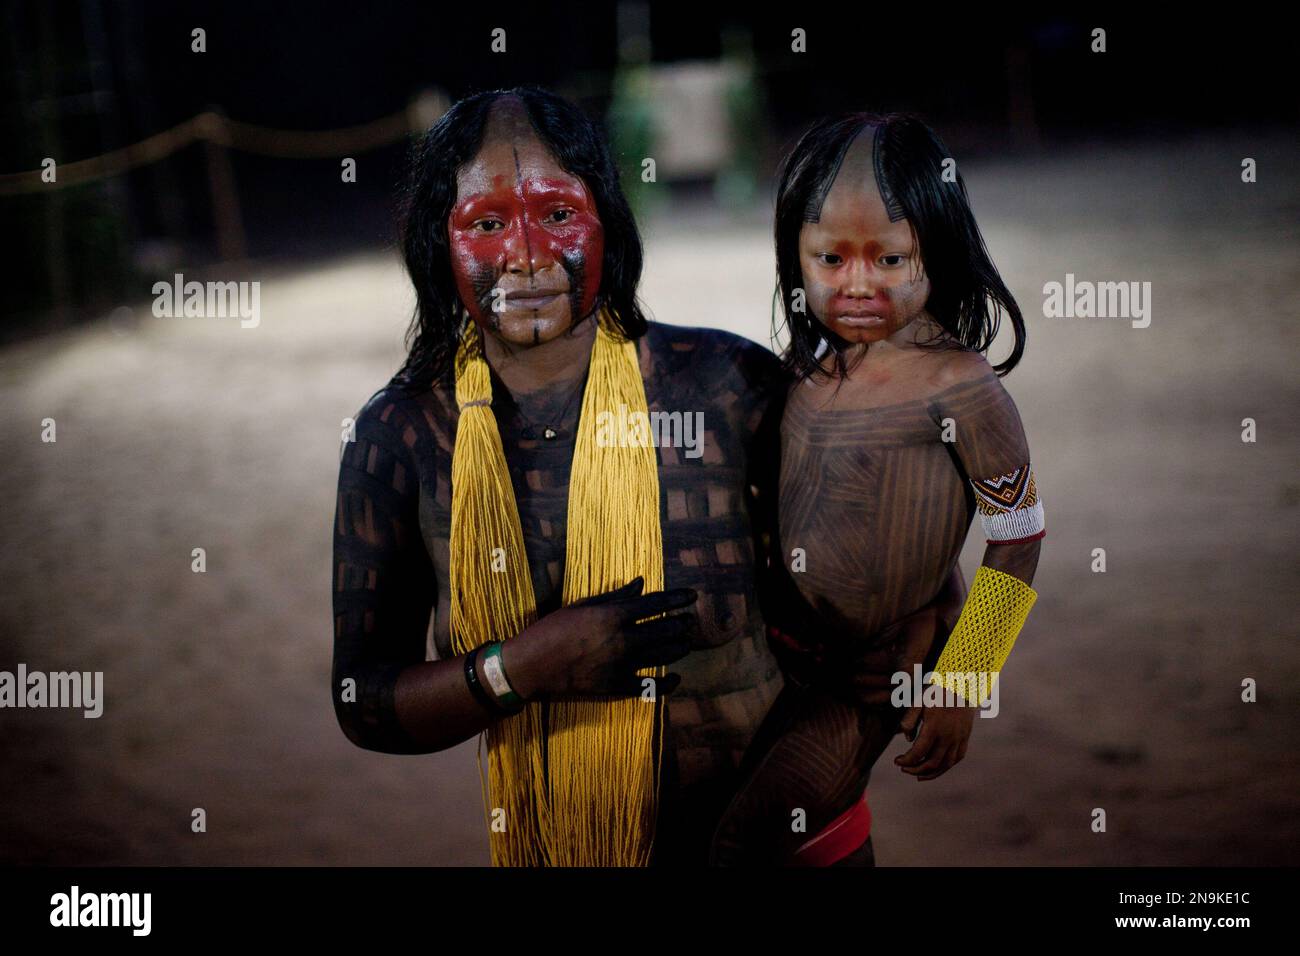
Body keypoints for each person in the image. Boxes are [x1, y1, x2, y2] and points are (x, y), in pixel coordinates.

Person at [331, 88, 964, 866]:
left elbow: (934, 549)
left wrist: (955, 657)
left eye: (558, 214)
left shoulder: (727, 387)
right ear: (439, 242)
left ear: (607, 221)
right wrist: (518, 670)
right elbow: (362, 701)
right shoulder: (404, 437)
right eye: (488, 224)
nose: (527, 253)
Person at [710, 112, 1044, 865]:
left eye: (890, 260)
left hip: (861, 687)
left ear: (938, 252)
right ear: (793, 256)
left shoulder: (959, 385)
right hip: (780, 661)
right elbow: (909, 520)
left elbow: (1018, 533)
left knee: (742, 845)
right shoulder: (808, 375)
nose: (857, 283)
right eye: (830, 257)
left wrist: (961, 679)